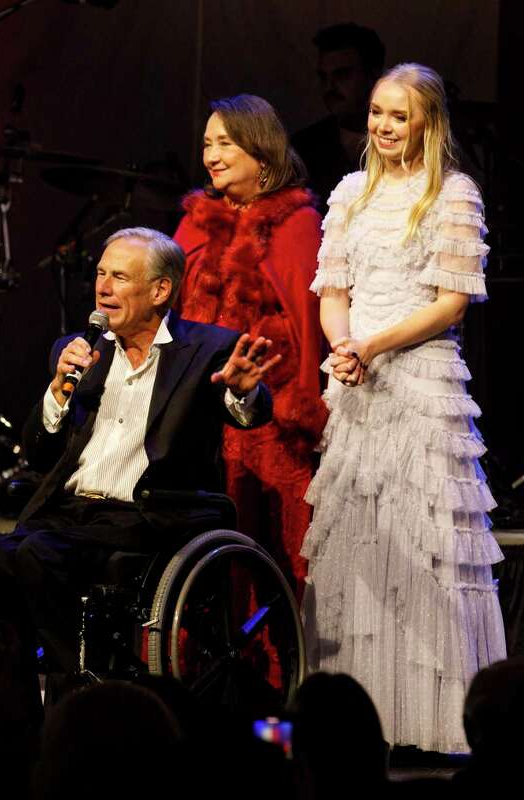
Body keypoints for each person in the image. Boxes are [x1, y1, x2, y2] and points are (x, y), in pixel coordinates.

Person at [300, 63, 506, 753]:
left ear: (427, 123)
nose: (384, 127)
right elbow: (333, 289)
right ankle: (362, 717)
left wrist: (374, 345)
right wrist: (343, 346)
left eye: (399, 115)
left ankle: (434, 717)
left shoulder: (452, 193)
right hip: (359, 384)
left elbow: (450, 303)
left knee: (425, 540)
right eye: (377, 113)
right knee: (361, 536)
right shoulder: (350, 193)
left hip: (419, 379)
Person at [0, 226, 279, 684]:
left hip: (148, 514)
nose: (103, 287)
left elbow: (248, 414)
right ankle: (13, 704)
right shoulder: (78, 352)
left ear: (160, 290)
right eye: (100, 273)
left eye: (119, 277)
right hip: (72, 513)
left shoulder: (208, 350)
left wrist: (242, 392)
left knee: (38, 556)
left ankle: (78, 689)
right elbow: (39, 455)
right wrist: (57, 393)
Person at [174, 94, 327, 587]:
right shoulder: (196, 222)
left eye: (224, 143)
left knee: (272, 547)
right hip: (202, 407)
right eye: (207, 144)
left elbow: (308, 323)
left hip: (270, 414)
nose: (211, 156)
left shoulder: (297, 224)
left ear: (260, 152)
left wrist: (303, 407)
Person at [291, 23, 385, 213]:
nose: (330, 87)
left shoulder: (407, 142)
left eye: (342, 75)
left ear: (373, 76)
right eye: (323, 77)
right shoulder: (303, 147)